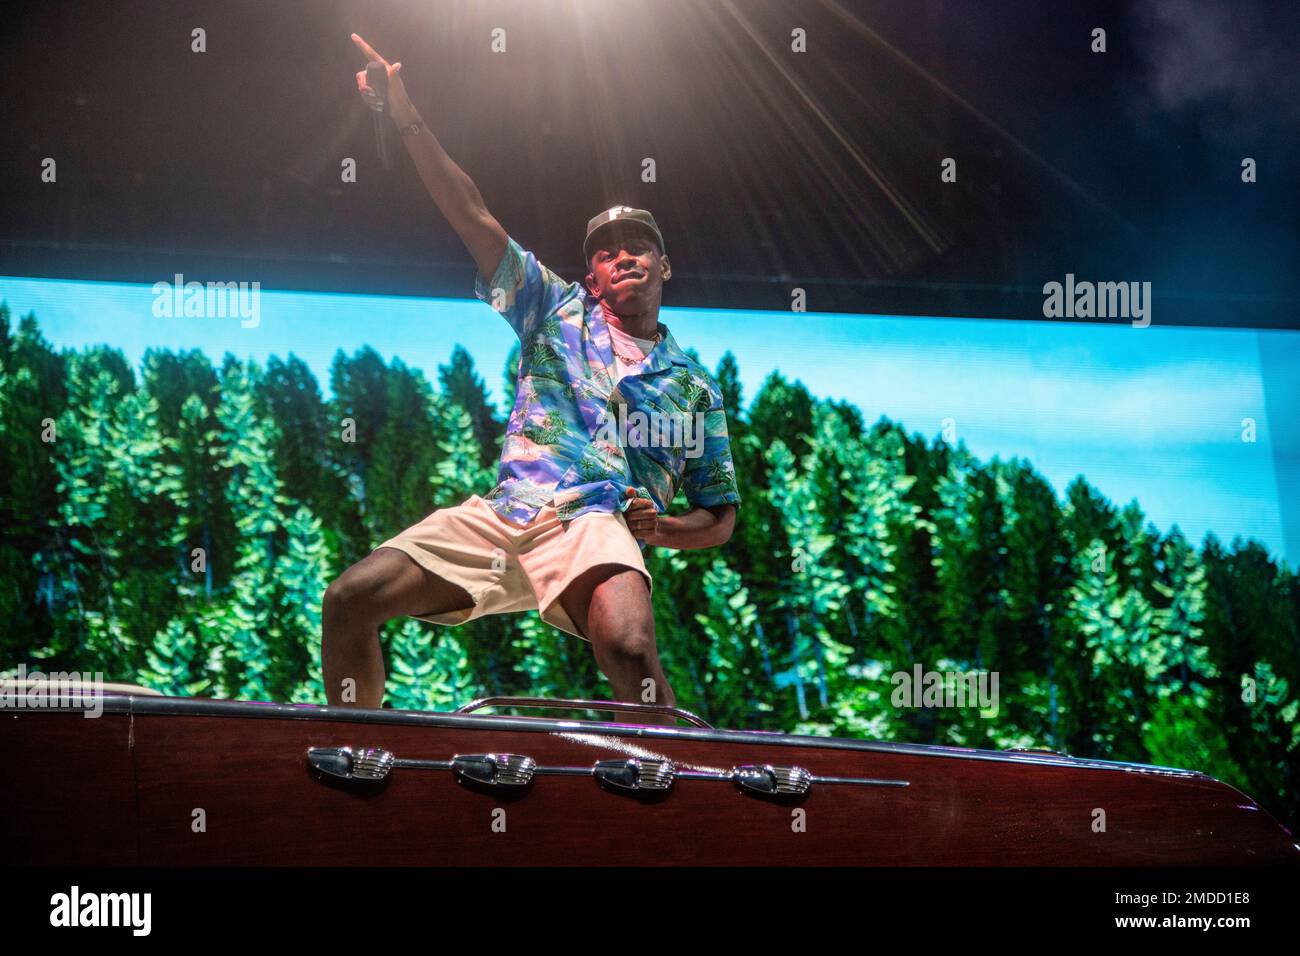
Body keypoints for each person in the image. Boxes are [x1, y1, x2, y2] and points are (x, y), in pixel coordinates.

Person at [322, 34, 742, 723]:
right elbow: (469, 210)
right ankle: (359, 759)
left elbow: (720, 518)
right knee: (349, 599)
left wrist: (661, 529)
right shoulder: (552, 308)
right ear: (592, 277)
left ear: (665, 267)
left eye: (638, 246)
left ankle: (678, 797)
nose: (622, 257)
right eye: (605, 254)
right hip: (506, 514)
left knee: (633, 653)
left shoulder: (692, 387)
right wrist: (404, 111)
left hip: (595, 521)